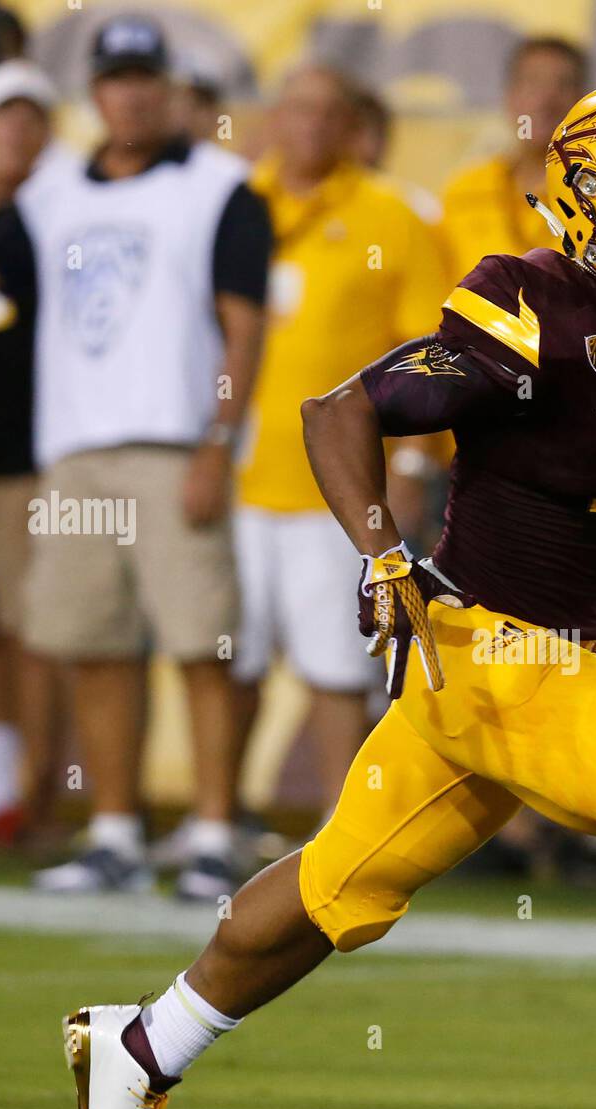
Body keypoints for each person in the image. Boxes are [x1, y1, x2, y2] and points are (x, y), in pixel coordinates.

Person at [64, 82, 596, 1109]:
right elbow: (337, 411)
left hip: (532, 665)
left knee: (340, 886)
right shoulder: (525, 305)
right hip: (481, 642)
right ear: (586, 204)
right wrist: (381, 553)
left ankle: (137, 1046)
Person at [0, 14, 273, 899]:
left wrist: (217, 441)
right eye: (115, 79)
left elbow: (244, 329)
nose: (132, 94)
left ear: (171, 89)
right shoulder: (49, 196)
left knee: (201, 644)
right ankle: (113, 830)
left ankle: (213, 834)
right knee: (95, 645)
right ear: (97, 92)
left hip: (173, 444)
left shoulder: (221, 186)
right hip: (73, 450)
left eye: (147, 78)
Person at [231, 62, 447, 817]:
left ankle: (339, 830)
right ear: (274, 116)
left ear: (355, 125)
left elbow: (429, 354)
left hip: (340, 485)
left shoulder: (396, 214)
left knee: (335, 668)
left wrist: (417, 462)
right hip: (235, 476)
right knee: (230, 661)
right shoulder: (236, 203)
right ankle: (211, 827)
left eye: (329, 112)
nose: (310, 126)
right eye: (297, 109)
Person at [0, 59, 62, 843]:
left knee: (33, 632)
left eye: (30, 116)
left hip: (27, 460)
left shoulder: (54, 217)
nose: (17, 130)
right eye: (4, 114)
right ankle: (1, 788)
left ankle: (35, 799)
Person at [439, 35, 587, 283]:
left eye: (564, 85)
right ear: (509, 96)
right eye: (533, 83)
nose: (546, 100)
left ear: (584, 102)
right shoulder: (465, 189)